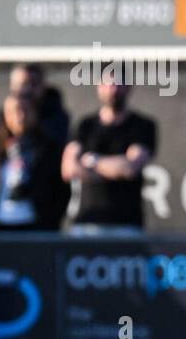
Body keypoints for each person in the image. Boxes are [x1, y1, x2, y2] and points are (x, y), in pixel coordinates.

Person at [63, 70, 157, 234]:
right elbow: (69, 169)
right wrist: (113, 168)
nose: (113, 90)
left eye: (119, 84)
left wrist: (93, 162)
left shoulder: (142, 126)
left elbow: (129, 168)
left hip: (127, 224)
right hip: (87, 224)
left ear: (128, 88)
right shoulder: (85, 126)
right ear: (99, 87)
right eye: (108, 84)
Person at [0, 94, 68, 231]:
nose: (19, 116)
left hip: (36, 227)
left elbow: (62, 191)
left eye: (25, 110)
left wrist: (51, 220)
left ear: (35, 112)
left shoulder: (49, 149)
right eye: (13, 111)